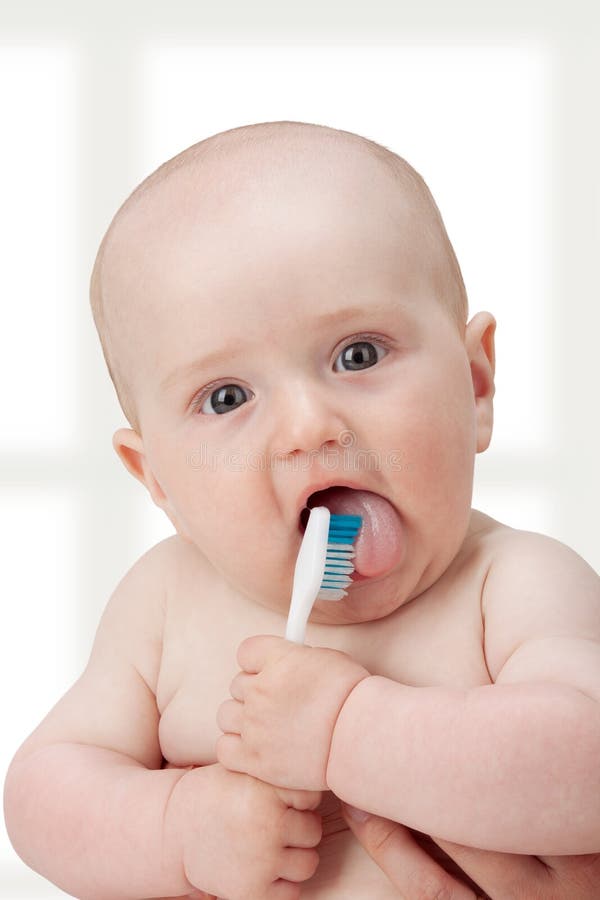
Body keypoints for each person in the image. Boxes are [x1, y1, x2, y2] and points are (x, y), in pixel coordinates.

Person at [4, 119, 600, 900]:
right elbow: (42, 794)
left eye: (358, 354)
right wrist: (180, 828)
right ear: (158, 481)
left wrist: (349, 730)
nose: (308, 427)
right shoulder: (162, 605)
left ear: (476, 384)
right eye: (226, 397)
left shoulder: (513, 584)